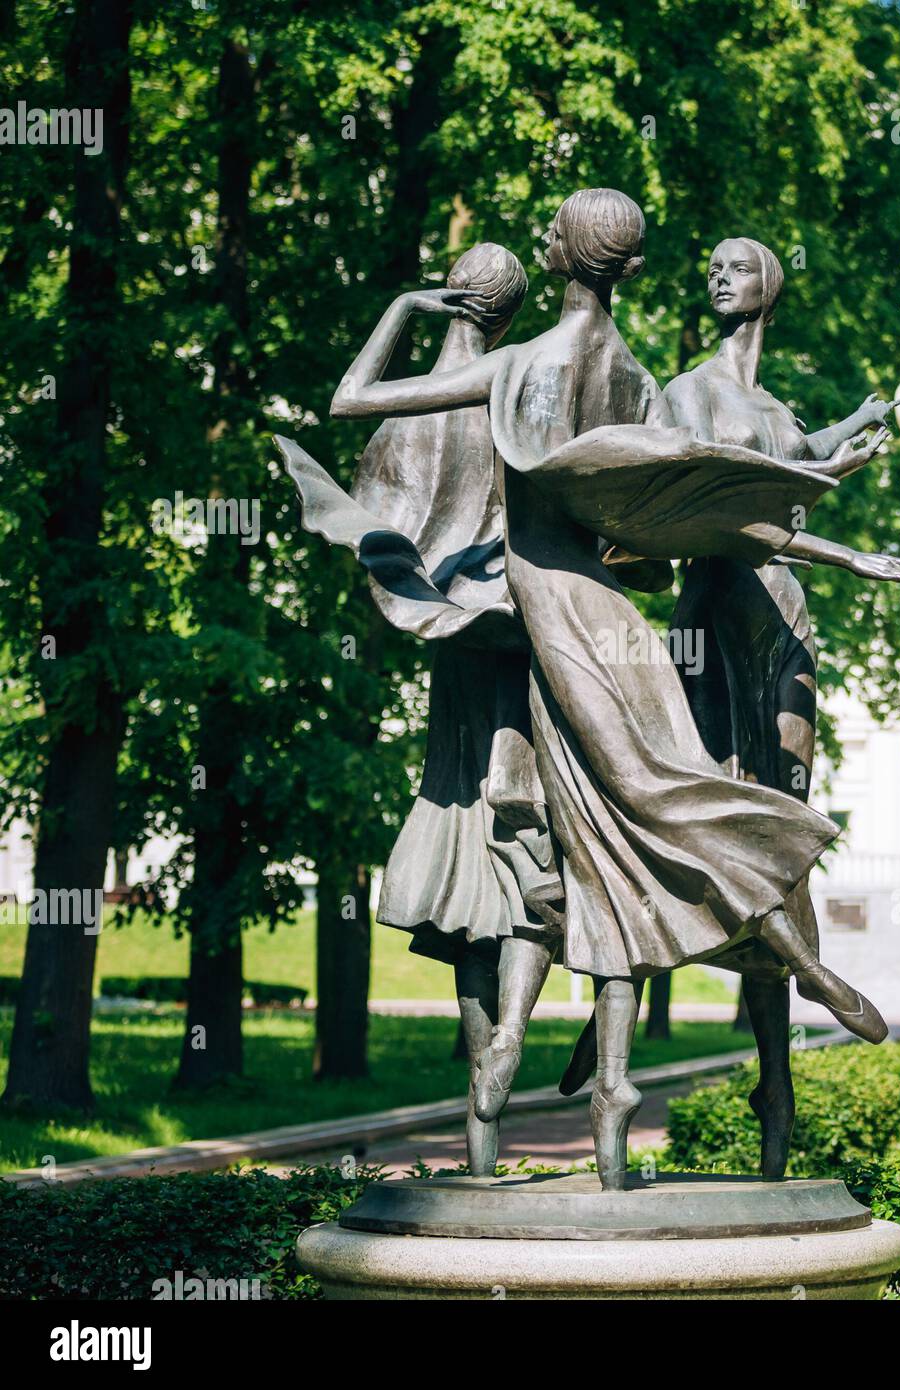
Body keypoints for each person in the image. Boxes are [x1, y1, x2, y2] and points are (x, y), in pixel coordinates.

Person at [326, 188, 900, 1189]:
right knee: (654, 801)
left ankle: (771, 981)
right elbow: (701, 519)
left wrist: (407, 308)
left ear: (557, 254)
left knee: (640, 806)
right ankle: (752, 987)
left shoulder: (513, 363)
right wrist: (841, 553)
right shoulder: (639, 378)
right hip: (617, 620)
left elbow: (353, 400)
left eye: (549, 234)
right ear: (631, 271)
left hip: (555, 620)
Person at [275, 242, 559, 1175]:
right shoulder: (522, 392)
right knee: (529, 861)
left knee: (462, 881)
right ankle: (512, 1039)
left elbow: (350, 399)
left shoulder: (424, 409)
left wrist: (401, 304)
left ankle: (482, 1122)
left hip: (457, 660)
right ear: (512, 312)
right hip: (526, 661)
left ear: (452, 297)